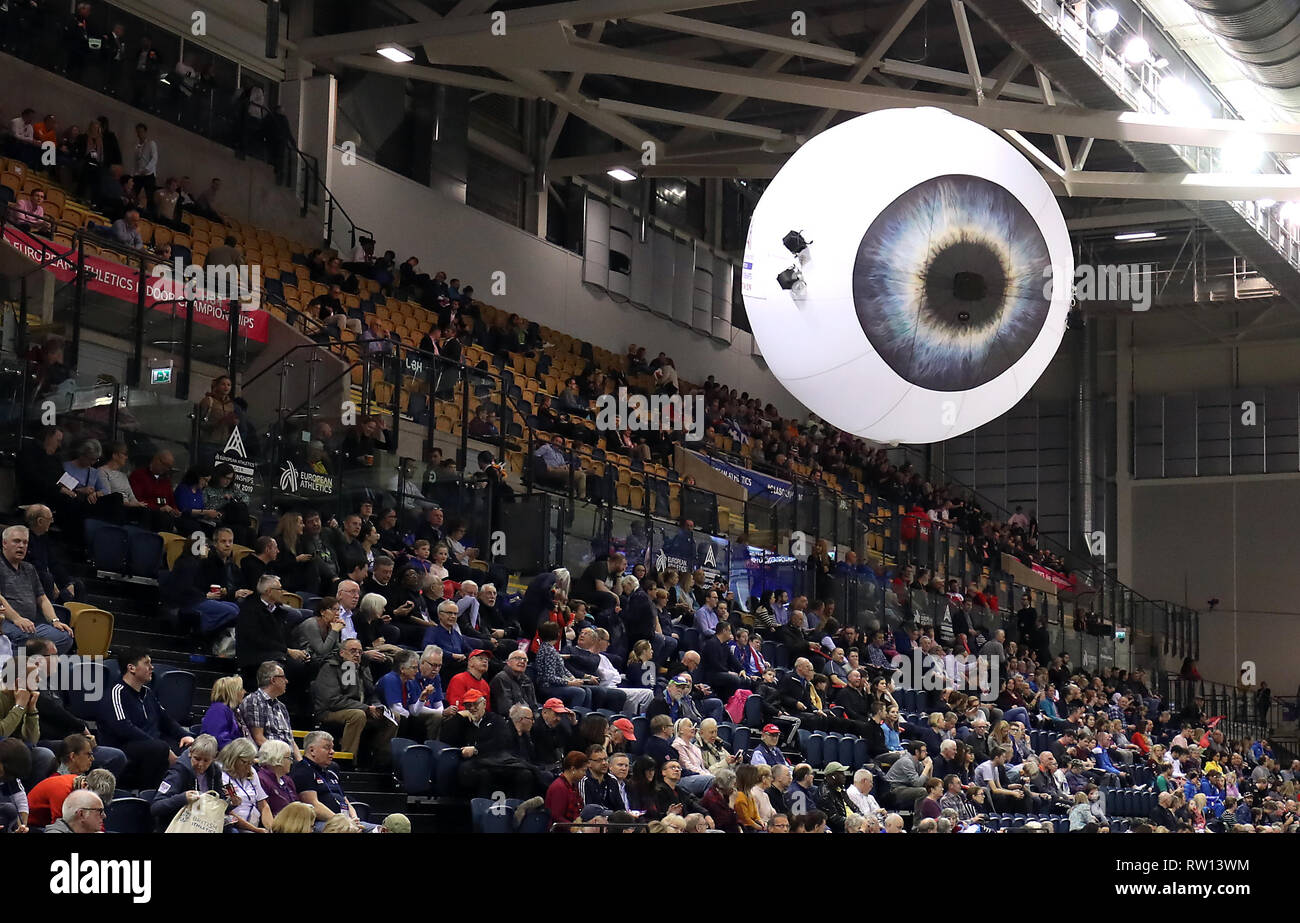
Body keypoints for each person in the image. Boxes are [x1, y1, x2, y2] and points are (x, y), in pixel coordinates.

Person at [96, 648, 194, 789]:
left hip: (152, 744)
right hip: (124, 746)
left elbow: (167, 721)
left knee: (190, 747)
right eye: (147, 663)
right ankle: (149, 793)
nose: (152, 667)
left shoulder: (148, 693)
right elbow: (124, 728)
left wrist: (187, 736)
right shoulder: (117, 692)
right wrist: (164, 749)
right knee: (160, 748)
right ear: (132, 668)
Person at [311, 639, 396, 771]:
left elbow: (371, 693)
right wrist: (366, 708)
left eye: (360, 652)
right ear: (342, 653)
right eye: (353, 651)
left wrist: (376, 706)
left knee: (392, 717)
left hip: (358, 709)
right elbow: (333, 700)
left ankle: (380, 762)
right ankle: (347, 761)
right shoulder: (330, 667)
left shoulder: (362, 667)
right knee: (357, 715)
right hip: (329, 712)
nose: (357, 655)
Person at [0, 525, 75, 653]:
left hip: (31, 625)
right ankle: (16, 667)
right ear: (4, 543)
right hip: (6, 623)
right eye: (17, 541)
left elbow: (42, 598)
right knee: (22, 637)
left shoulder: (29, 569)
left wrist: (55, 621)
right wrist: (17, 619)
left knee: (64, 637)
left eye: (25, 542)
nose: (22, 546)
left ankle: (35, 663)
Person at [291, 730, 374, 830]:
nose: (332, 752)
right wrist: (343, 822)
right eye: (327, 748)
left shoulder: (333, 768)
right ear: (312, 750)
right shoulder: (303, 770)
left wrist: (354, 818)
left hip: (345, 821)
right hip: (320, 823)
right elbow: (313, 806)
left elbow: (344, 799)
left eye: (332, 748)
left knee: (382, 830)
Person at [151, 734, 222, 827]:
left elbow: (219, 801)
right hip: (177, 825)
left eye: (206, 761)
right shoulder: (178, 772)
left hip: (204, 824)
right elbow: (156, 807)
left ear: (214, 758)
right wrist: (183, 798)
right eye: (197, 758)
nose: (201, 764)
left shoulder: (215, 771)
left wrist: (230, 803)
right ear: (190, 752)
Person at [238, 661, 301, 761]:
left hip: (287, 760)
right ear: (273, 680)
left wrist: (300, 763)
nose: (287, 681)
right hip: (271, 759)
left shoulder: (281, 707)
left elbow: (291, 739)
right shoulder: (254, 701)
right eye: (283, 677)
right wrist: (283, 756)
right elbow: (258, 739)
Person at [376, 650, 441, 742]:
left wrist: (422, 698)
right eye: (413, 668)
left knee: (420, 720)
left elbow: (415, 712)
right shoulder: (390, 679)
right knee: (406, 719)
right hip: (384, 716)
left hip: (403, 717)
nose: (417, 671)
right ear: (402, 669)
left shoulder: (409, 682)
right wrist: (411, 716)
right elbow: (396, 709)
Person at [217, 738, 272, 833]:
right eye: (244, 762)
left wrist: (270, 829)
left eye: (250, 763)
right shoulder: (221, 774)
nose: (248, 767)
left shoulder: (251, 771)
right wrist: (255, 830)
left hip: (255, 826)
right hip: (234, 826)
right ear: (233, 758)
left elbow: (263, 805)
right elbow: (229, 813)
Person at [199, 675, 249, 750]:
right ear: (232, 693)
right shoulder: (218, 710)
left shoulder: (231, 710)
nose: (244, 692)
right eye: (241, 689)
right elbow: (218, 741)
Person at [254, 739, 300, 817]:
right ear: (277, 758)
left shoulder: (287, 780)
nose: (291, 762)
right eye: (289, 758)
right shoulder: (261, 779)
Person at [545, 751, 588, 829]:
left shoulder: (573, 786)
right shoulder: (559, 787)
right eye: (583, 770)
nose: (585, 774)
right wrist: (575, 828)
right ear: (573, 769)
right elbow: (556, 817)